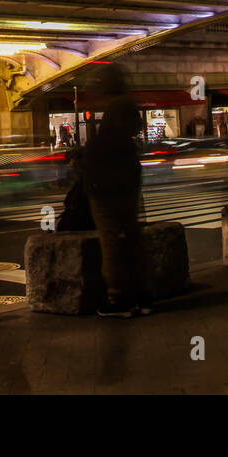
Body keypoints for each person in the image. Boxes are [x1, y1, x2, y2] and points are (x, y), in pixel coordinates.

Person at [82, 64, 152, 318]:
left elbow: (106, 148)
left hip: (108, 186)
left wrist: (85, 157)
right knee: (132, 237)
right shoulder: (129, 108)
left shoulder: (116, 111)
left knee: (111, 240)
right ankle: (142, 295)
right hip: (126, 182)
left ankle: (118, 297)